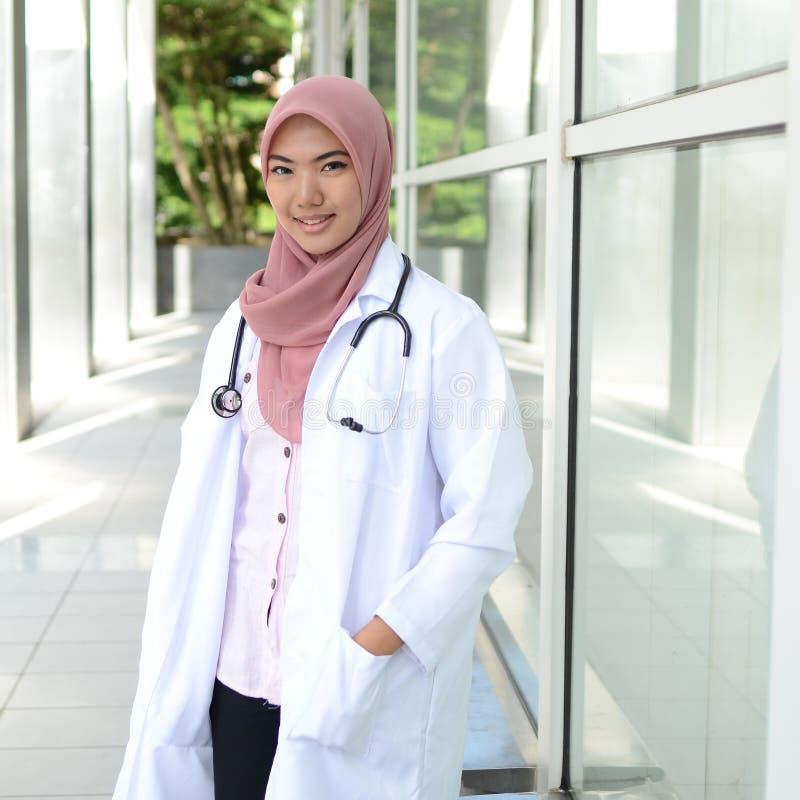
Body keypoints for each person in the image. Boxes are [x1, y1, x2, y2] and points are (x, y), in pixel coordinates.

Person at [113, 75, 533, 800]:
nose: (305, 194)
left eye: (332, 164)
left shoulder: (442, 328)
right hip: (233, 669)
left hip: (354, 682)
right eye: (284, 169)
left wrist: (371, 648)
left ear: (372, 170)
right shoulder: (243, 324)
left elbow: (484, 522)